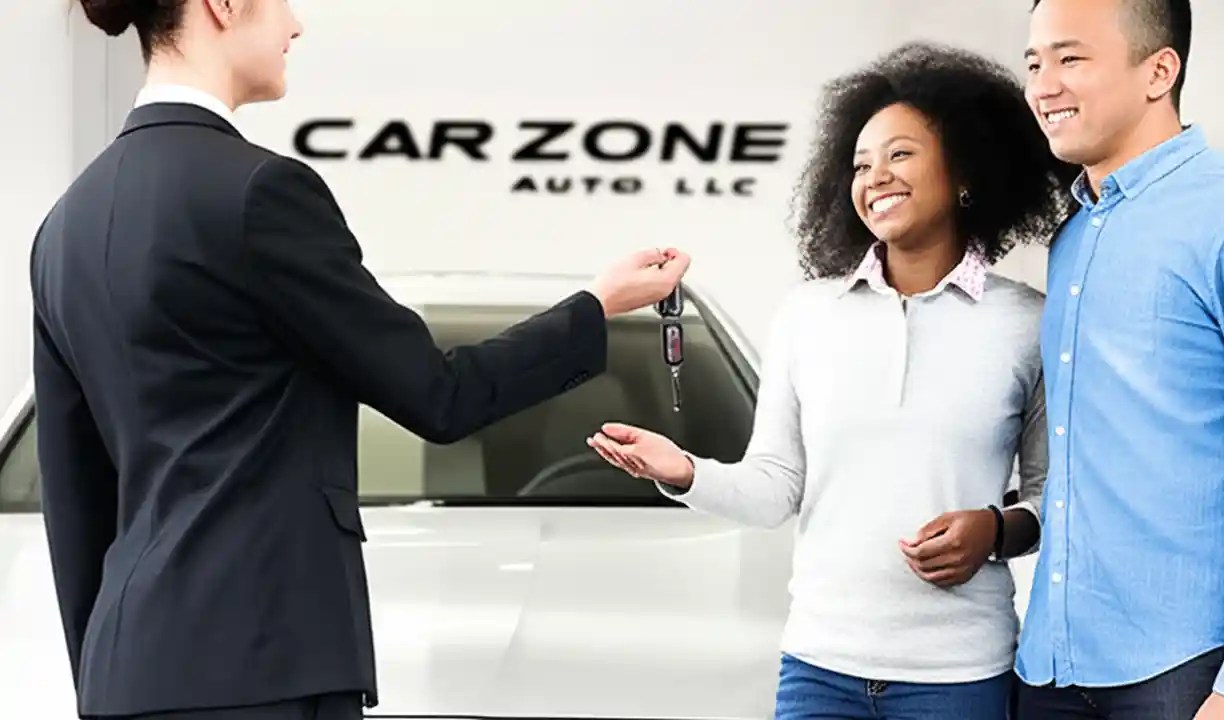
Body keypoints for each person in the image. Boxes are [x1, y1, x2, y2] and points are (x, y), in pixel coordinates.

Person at [32, 1, 689, 719]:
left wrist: (104, 678)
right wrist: (596, 305)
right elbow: (440, 396)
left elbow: (74, 502)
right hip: (266, 670)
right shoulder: (261, 193)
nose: (296, 25)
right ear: (220, 4)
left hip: (124, 674)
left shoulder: (63, 227)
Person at [587, 41, 1074, 720]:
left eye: (900, 154)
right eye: (861, 163)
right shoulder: (808, 315)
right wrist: (684, 470)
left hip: (961, 677)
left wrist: (995, 531)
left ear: (966, 170)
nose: (876, 176)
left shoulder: (1028, 324)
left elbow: (1061, 498)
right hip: (819, 671)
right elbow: (774, 489)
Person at [1017, 1, 1224, 718]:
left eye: (1070, 59)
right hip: (1051, 665)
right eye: (1034, 63)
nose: (1044, 85)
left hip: (1191, 670)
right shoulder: (1071, 237)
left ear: (1160, 70)